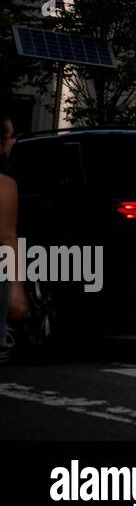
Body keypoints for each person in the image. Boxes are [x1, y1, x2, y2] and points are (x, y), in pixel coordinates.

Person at [0, 114, 25, 365]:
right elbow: (7, 237)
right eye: (9, 136)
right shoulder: (5, 186)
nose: (13, 142)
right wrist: (16, 286)